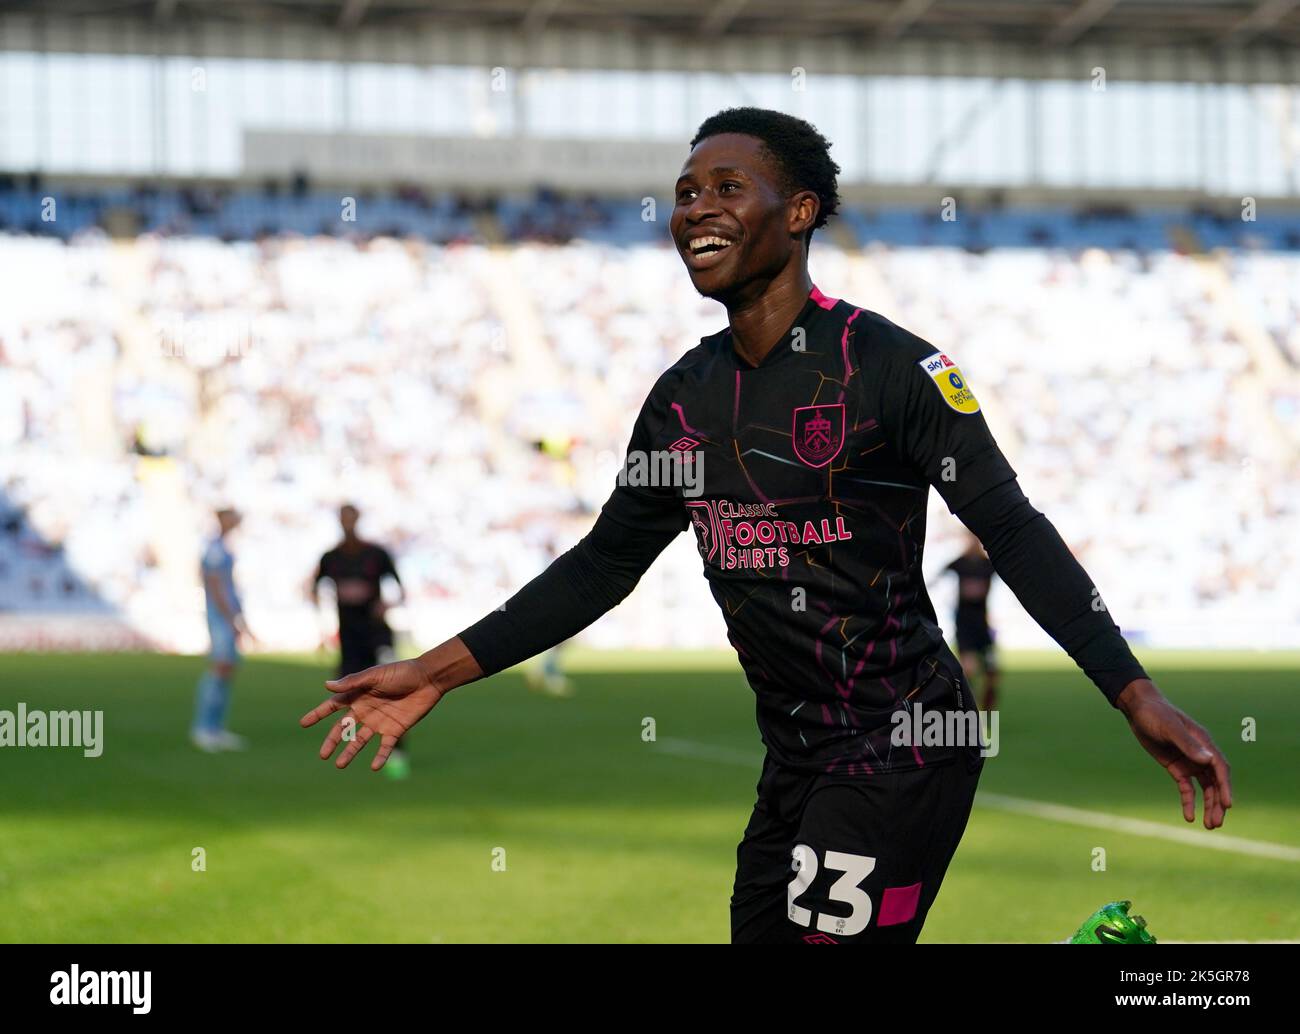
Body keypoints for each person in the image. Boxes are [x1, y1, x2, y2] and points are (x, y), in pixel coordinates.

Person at [301, 107, 1232, 944]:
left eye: (726, 188)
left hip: (906, 742)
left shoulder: (894, 368)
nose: (696, 209)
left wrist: (1133, 692)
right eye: (684, 193)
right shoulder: (682, 401)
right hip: (796, 760)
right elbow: (602, 566)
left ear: (798, 213)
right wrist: (433, 672)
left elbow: (1015, 529)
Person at [311, 504, 410, 778]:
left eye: (351, 517)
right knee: (349, 693)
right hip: (350, 638)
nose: (347, 522)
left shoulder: (376, 554)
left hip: (376, 634)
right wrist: (321, 626)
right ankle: (352, 745)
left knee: (390, 690)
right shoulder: (331, 557)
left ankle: (397, 750)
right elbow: (315, 589)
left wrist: (385, 605)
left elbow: (400, 589)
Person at [192, 507, 253, 751]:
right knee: (219, 668)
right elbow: (216, 586)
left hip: (225, 616)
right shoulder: (215, 548)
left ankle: (214, 728)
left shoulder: (221, 546)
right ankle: (204, 727)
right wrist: (230, 618)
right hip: (220, 617)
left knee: (226, 669)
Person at [945, 533, 1000, 712]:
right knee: (968, 668)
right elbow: (940, 575)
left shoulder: (987, 565)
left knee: (992, 669)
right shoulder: (960, 563)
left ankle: (986, 703)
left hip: (982, 624)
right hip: (964, 623)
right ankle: (970, 705)